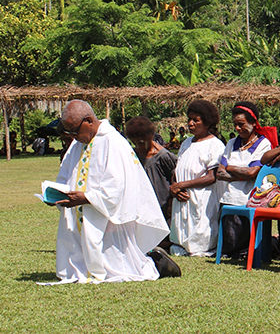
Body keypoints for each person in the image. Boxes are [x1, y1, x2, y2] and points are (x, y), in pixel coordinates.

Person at [51, 100, 179, 283]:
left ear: (88, 120)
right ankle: (83, 270)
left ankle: (154, 263)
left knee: (119, 265)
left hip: (105, 212)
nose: (73, 137)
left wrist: (86, 198)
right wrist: (57, 193)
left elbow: (117, 186)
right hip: (79, 209)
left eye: (75, 131)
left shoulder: (113, 142)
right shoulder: (77, 144)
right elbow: (65, 174)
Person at [216, 102, 275, 258]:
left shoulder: (263, 144)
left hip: (249, 198)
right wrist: (242, 173)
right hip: (229, 197)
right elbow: (219, 172)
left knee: (245, 238)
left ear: (253, 123)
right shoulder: (231, 144)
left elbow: (253, 172)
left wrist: (229, 167)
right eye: (235, 124)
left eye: (241, 124)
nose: (237, 128)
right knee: (229, 237)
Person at [169, 100, 227, 257]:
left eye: (196, 120)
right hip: (183, 196)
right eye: (189, 119)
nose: (191, 123)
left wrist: (182, 185)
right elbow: (178, 168)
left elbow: (211, 177)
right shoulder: (187, 143)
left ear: (207, 122)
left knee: (200, 228)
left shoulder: (215, 145)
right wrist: (175, 187)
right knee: (182, 228)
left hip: (202, 197)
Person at [124, 116, 176, 237]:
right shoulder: (133, 155)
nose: (139, 146)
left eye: (141, 142)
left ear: (151, 136)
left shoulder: (163, 156)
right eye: (135, 143)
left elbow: (174, 179)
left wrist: (170, 203)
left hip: (161, 203)